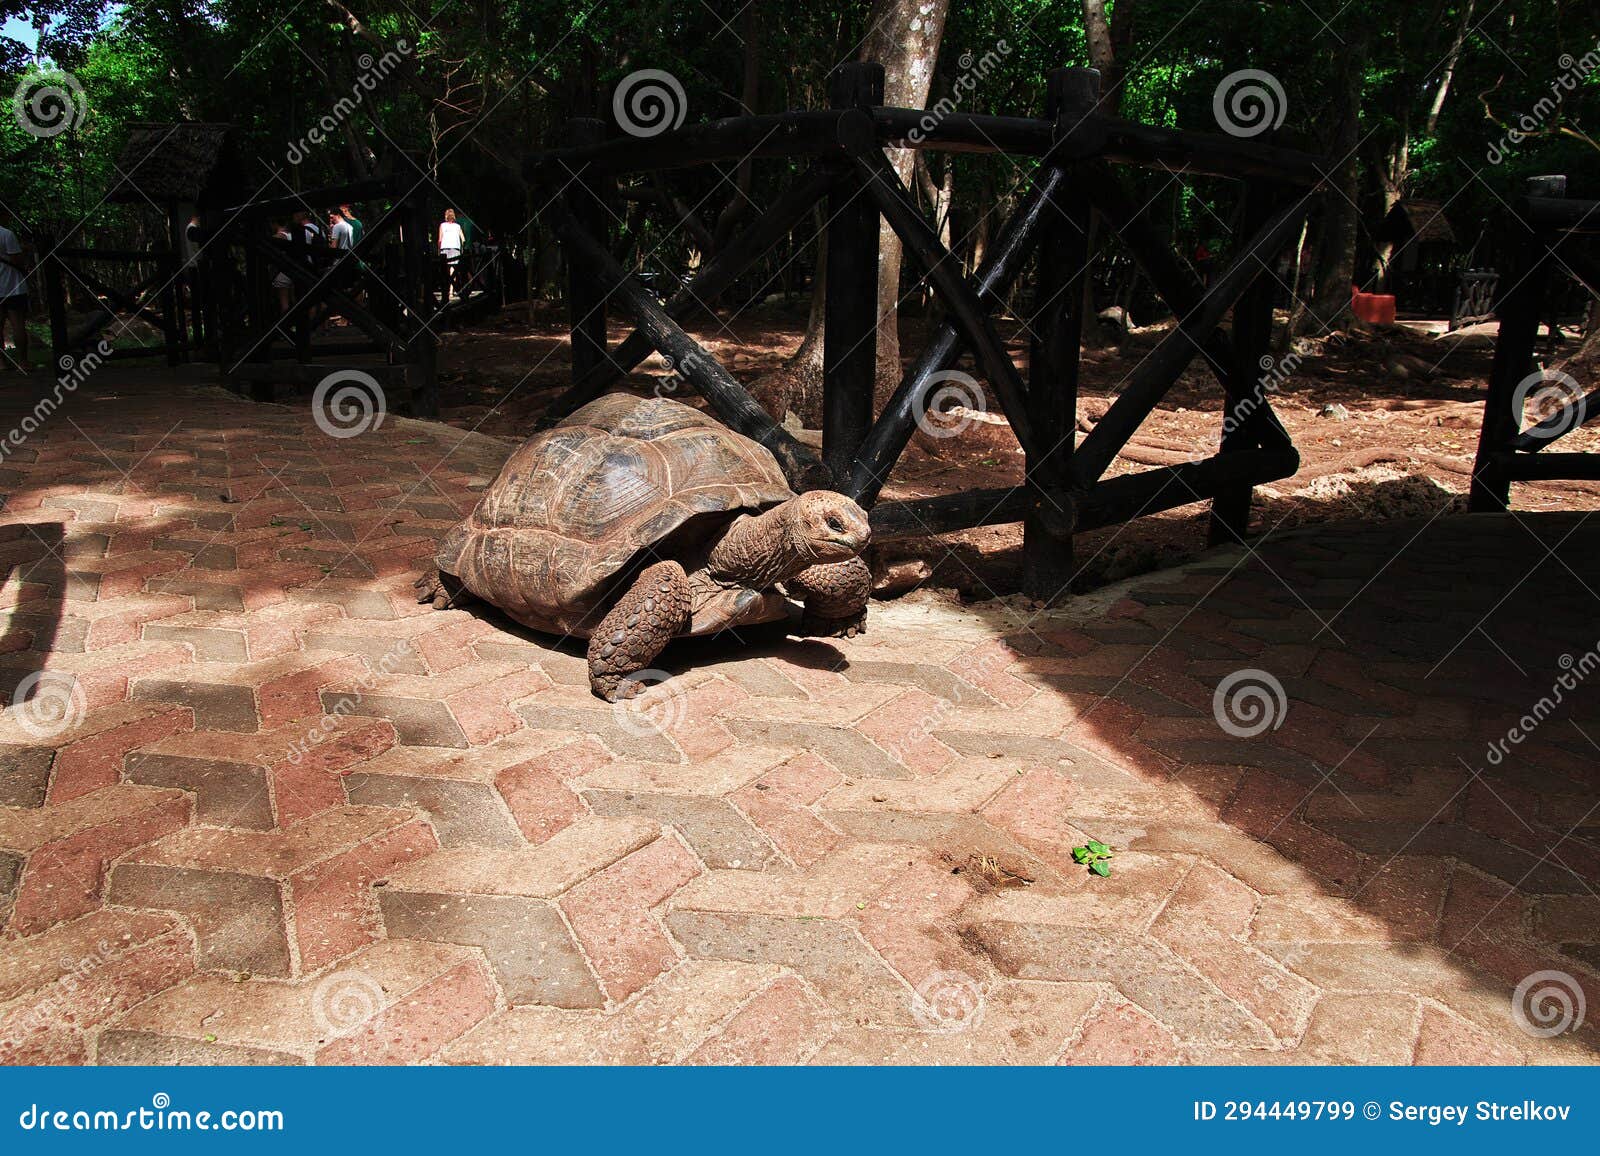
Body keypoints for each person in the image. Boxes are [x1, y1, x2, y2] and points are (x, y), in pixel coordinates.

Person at [0, 223, 33, 373]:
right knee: (18, 324)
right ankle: (23, 362)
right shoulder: (6, 234)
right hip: (13, 286)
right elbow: (15, 259)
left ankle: (2, 363)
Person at [438, 208, 465, 302]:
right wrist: (462, 249)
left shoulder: (442, 225)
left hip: (444, 249)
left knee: (445, 270)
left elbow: (440, 239)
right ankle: (451, 291)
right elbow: (463, 239)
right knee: (453, 271)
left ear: (446, 216)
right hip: (455, 248)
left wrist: (439, 249)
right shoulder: (458, 226)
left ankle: (445, 292)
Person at [270, 219, 294, 312]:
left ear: (274, 224)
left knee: (284, 303)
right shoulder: (293, 235)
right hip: (295, 271)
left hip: (282, 273)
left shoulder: (277, 237)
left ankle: (286, 324)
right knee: (294, 299)